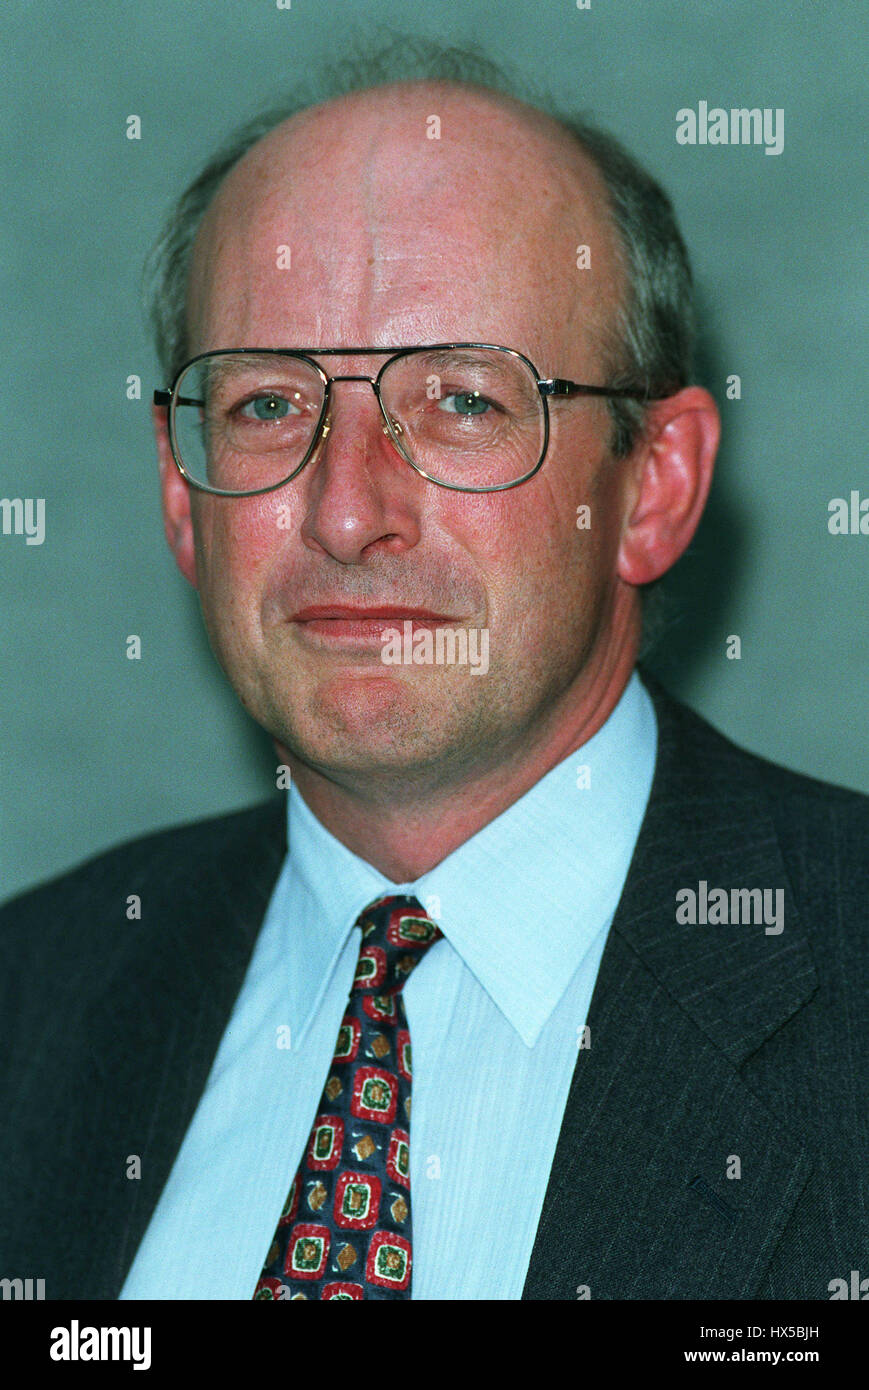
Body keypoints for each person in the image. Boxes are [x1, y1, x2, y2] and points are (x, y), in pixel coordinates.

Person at [1, 42, 866, 1302]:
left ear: (652, 485)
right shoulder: (33, 1003)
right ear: (181, 496)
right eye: (265, 405)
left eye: (463, 399)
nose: (348, 513)